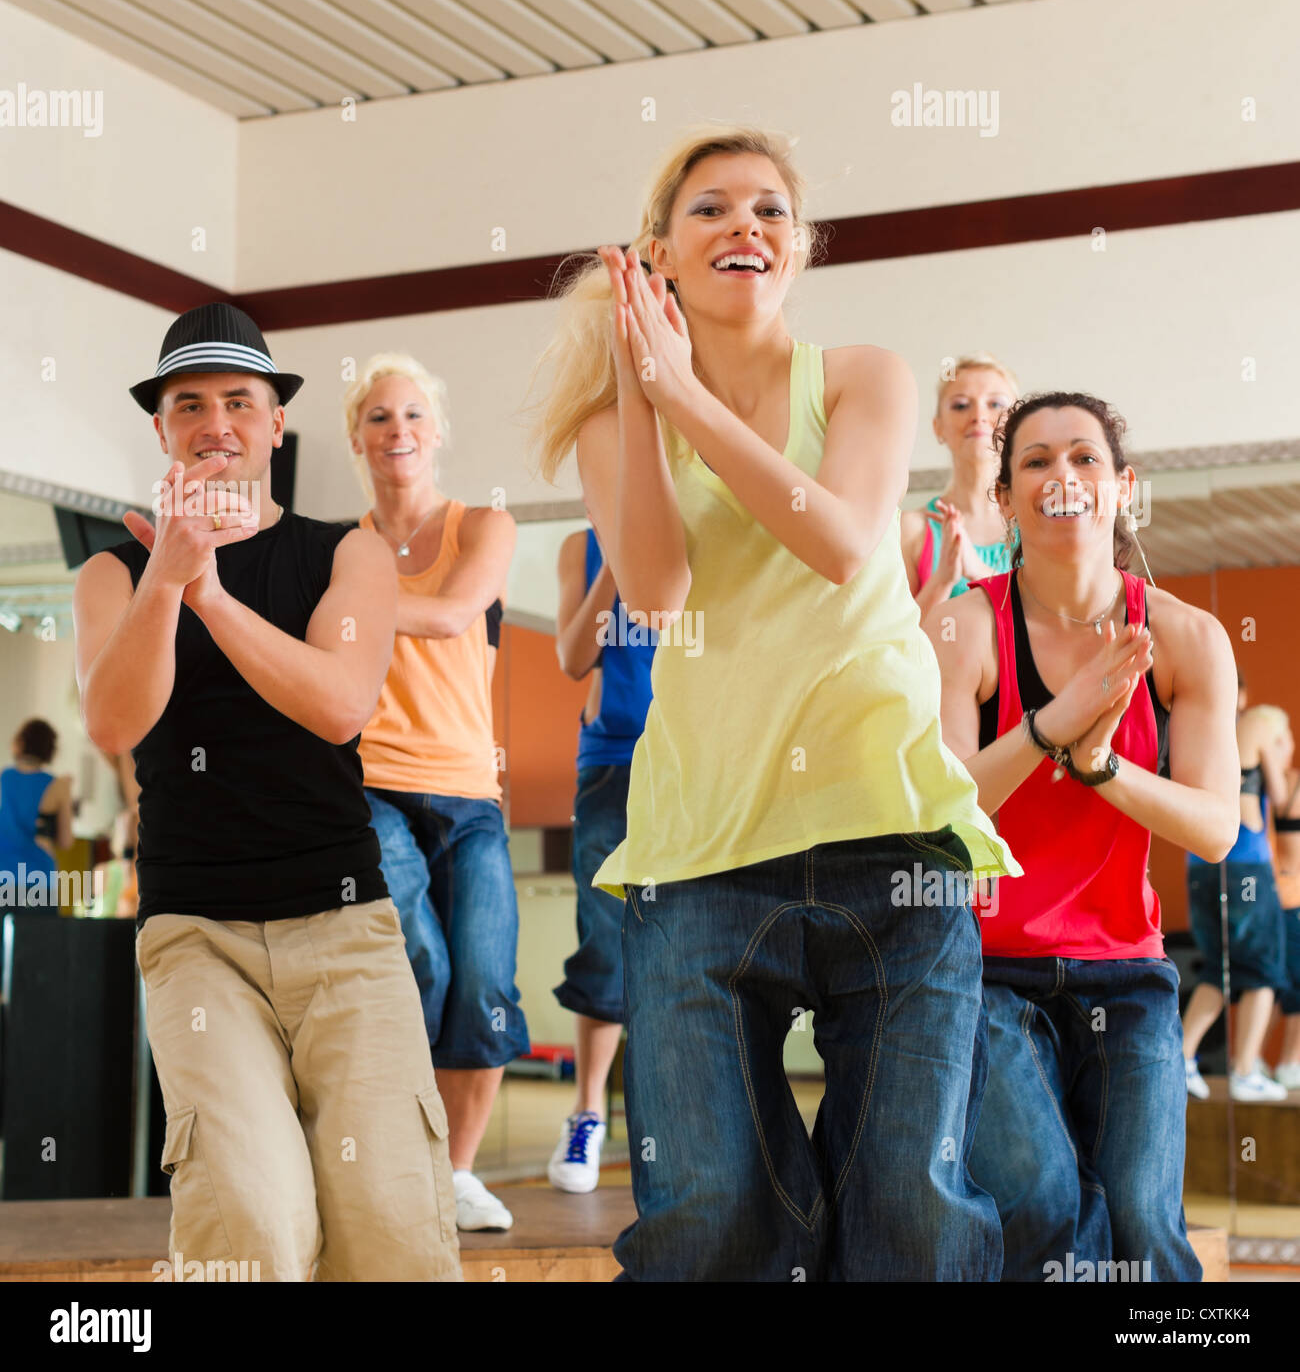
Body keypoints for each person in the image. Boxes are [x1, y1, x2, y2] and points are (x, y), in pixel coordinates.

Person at [533, 125, 1021, 1281]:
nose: (742, 225)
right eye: (709, 209)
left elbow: (844, 545)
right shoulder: (614, 421)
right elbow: (655, 590)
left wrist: (681, 394)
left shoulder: (863, 375)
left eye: (767, 210)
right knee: (712, 1219)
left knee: (910, 1214)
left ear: (794, 250)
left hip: (885, 826)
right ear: (657, 254)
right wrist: (649, 401)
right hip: (706, 844)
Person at [72, 303, 461, 1282]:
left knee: (394, 1237)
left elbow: (335, 705)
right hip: (196, 936)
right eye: (188, 403)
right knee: (248, 1223)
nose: (215, 422)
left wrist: (209, 593)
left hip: (345, 929)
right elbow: (117, 724)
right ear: (161, 428)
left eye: (238, 400)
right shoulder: (111, 575)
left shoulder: (346, 552)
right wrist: (167, 580)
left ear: (275, 424)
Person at [925, 389, 1239, 1282]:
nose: (1062, 476)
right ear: (1006, 497)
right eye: (1035, 462)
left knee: (1145, 1220)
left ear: (1123, 487)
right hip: (987, 974)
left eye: (1084, 457)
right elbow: (942, 815)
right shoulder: (961, 626)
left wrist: (1103, 767)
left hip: (1127, 971)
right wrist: (1050, 726)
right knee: (1043, 1203)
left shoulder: (1187, 636)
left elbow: (1215, 829)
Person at [345, 352, 526, 1233]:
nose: (398, 431)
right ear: (357, 438)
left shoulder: (484, 526)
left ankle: (451, 1175)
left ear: (438, 432)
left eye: (413, 415)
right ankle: (390, 1161)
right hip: (367, 782)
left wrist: (340, 608)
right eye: (380, 417)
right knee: (419, 958)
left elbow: (455, 613)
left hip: (468, 793)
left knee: (486, 982)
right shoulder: (340, 547)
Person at [549, 510, 656, 1193]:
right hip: (613, 763)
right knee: (605, 939)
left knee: (688, 945)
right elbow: (572, 657)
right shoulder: (579, 547)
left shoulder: (699, 522)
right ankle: (588, 1113)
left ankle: (668, 1124)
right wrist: (616, 559)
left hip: (698, 765)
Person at [1183, 692, 1292, 1101]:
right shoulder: (1260, 729)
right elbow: (1279, 801)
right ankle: (1246, 1070)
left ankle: (1183, 1057)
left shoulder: (1205, 733)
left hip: (1201, 863)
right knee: (1265, 967)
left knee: (1221, 967)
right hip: (1247, 862)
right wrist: (1278, 757)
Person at [899, 355, 1018, 620]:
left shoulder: (1041, 523)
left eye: (995, 404)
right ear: (938, 427)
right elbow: (899, 644)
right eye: (961, 405)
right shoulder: (911, 529)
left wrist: (978, 571)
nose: (979, 416)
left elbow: (1054, 624)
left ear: (1019, 424)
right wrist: (942, 579)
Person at [0, 718, 74, 911]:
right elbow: (65, 841)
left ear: (20, 743)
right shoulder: (58, 786)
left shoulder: (3, 778)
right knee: (38, 940)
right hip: (40, 879)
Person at [1270, 734, 1300, 1089]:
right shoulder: (1291, 785)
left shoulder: (1265, 786)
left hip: (1270, 894)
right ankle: (1289, 1064)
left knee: (1273, 985)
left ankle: (1253, 1061)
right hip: (1290, 898)